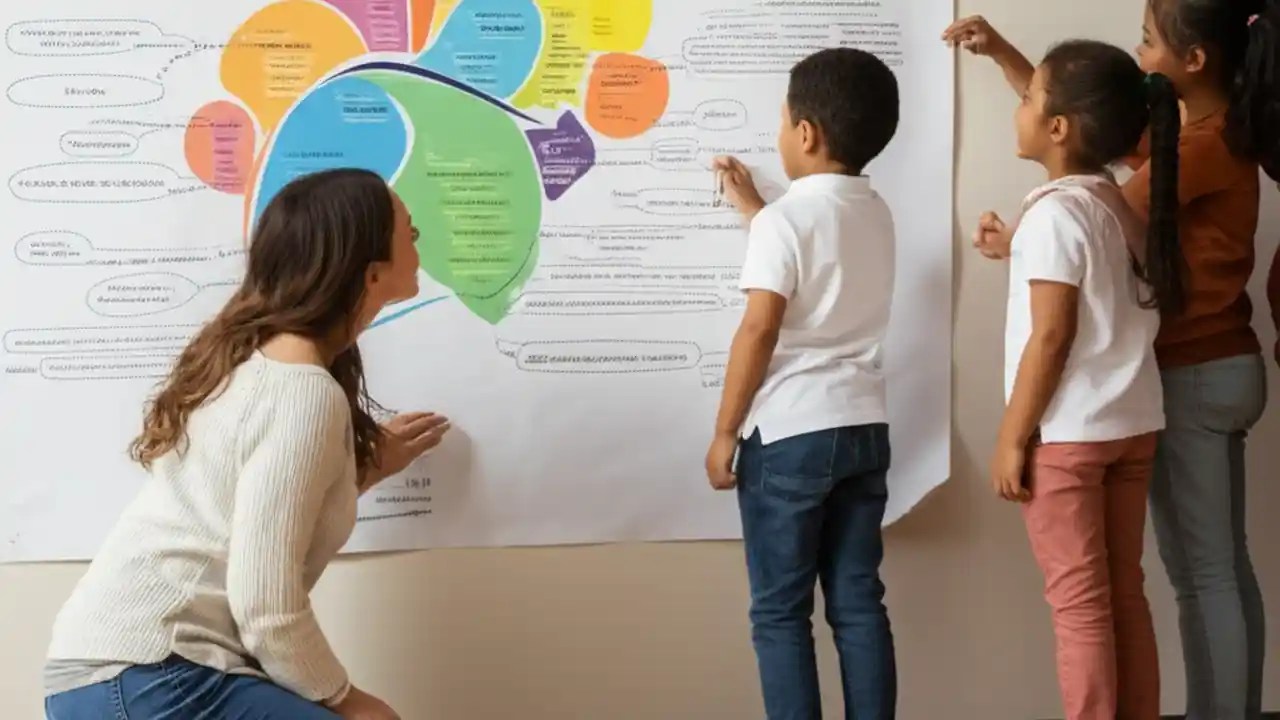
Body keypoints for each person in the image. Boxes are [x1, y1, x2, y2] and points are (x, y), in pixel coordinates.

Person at [945, 4, 1280, 716]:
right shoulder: (1188, 139)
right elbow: (1083, 137)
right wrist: (1008, 55)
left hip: (1194, 372)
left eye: (1149, 41)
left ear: (1194, 62)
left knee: (1200, 575)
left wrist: (1032, 240)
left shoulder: (1197, 149)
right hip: (1203, 374)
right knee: (1194, 573)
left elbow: (1083, 191)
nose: (1139, 52)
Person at [43, 168, 450, 720]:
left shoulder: (255, 363)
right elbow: (265, 606)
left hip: (103, 675)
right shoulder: (302, 390)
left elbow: (245, 506)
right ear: (371, 274)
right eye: (411, 232)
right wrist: (346, 699)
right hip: (155, 674)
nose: (419, 239)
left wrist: (365, 469)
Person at [970, 38, 1177, 720]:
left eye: (1029, 98)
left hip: (1067, 440)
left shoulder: (1055, 214)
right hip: (1132, 426)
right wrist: (1017, 246)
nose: (1021, 107)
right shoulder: (1114, 204)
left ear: (1057, 128)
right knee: (1124, 596)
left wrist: (1010, 437)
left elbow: (1051, 336)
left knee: (1079, 609)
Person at [705, 46, 900, 719]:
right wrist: (757, 208)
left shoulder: (784, 224)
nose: (779, 134)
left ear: (807, 134)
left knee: (781, 614)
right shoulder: (876, 212)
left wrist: (725, 432)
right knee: (856, 602)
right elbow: (818, 251)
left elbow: (759, 329)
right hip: (864, 428)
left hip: (789, 436)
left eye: (782, 122)